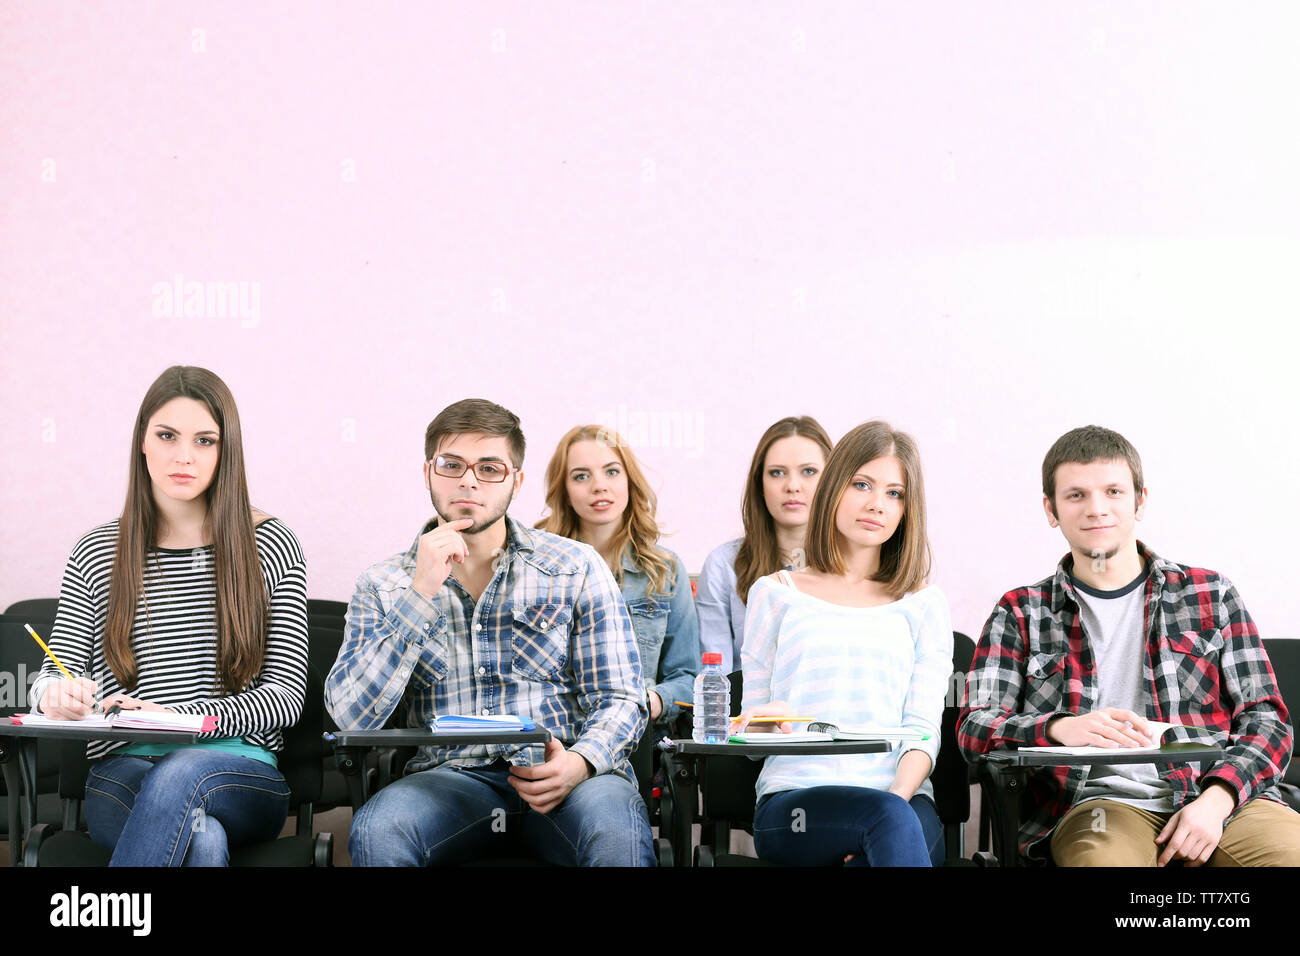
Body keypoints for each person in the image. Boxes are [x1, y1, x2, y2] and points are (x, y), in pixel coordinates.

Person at [327, 398, 654, 866]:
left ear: (516, 481)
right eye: (452, 464)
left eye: (489, 468)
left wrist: (579, 763)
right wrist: (420, 591)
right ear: (427, 473)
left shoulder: (574, 567)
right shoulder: (384, 583)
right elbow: (351, 719)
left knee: (615, 833)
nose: (468, 480)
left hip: (568, 775)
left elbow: (622, 697)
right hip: (449, 781)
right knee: (381, 829)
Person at [958, 425, 1300, 866]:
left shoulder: (1211, 594)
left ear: (1139, 500)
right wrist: (1058, 729)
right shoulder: (1020, 611)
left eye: (1113, 492)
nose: (1096, 509)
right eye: (1076, 495)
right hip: (1100, 807)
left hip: (1222, 797)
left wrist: (1217, 800)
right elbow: (974, 727)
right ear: (1051, 509)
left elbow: (1268, 719)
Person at [31, 366, 308, 866]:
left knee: (181, 775)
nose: (184, 456)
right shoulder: (98, 551)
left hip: (238, 770)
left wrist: (180, 720)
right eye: (167, 436)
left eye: (205, 440)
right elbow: (57, 673)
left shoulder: (268, 545)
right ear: (143, 442)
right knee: (202, 841)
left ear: (226, 451)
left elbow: (286, 697)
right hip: (123, 771)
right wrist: (53, 693)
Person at [736, 421, 952, 867]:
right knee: (888, 825)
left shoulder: (924, 604)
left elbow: (923, 732)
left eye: (895, 494)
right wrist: (761, 722)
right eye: (862, 484)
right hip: (796, 803)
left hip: (903, 798)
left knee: (891, 823)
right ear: (834, 488)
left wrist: (891, 804)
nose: (877, 504)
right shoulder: (775, 593)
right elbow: (752, 738)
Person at [535, 425, 699, 750]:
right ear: (564, 489)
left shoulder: (664, 571)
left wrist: (651, 701)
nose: (599, 486)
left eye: (611, 471)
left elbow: (689, 681)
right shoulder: (538, 568)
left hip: (635, 743)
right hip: (555, 742)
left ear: (629, 480)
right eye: (581, 476)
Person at [697, 416, 832, 675]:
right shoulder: (723, 564)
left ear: (832, 480)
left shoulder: (857, 562)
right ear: (760, 484)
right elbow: (714, 676)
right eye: (777, 473)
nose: (792, 486)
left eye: (809, 471)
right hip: (747, 710)